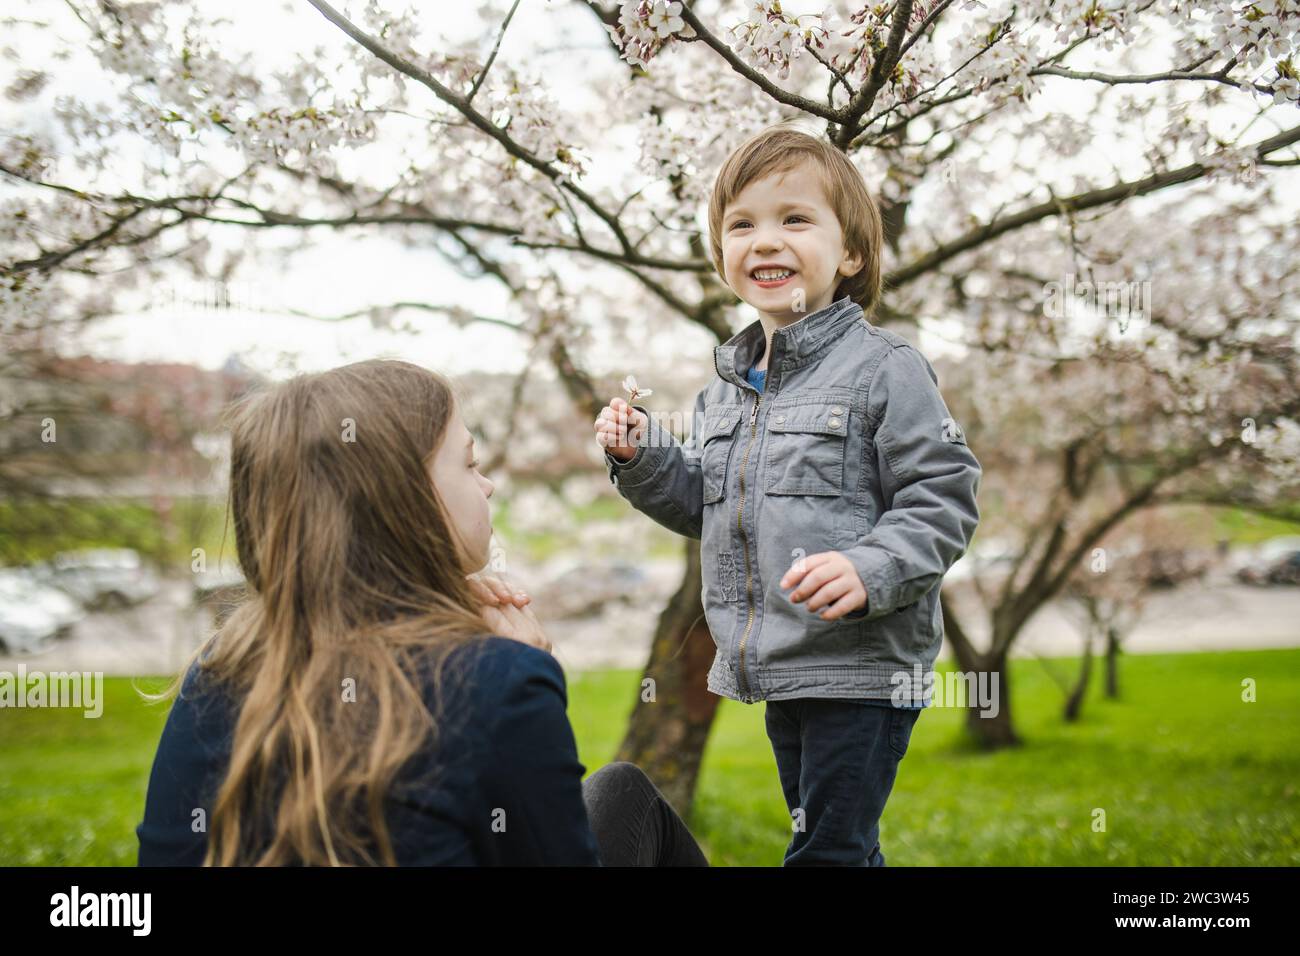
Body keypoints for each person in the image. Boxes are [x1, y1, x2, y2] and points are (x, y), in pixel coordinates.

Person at [136, 359, 707, 866]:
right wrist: (526, 678)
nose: (486, 486)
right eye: (468, 464)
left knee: (620, 793)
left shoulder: (216, 669)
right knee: (627, 794)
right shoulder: (500, 683)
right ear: (403, 497)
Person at [595, 123, 982, 866]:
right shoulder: (725, 392)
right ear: (722, 257)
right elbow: (703, 506)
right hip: (785, 667)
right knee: (830, 845)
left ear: (851, 253)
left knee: (829, 851)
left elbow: (944, 494)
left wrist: (870, 568)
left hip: (862, 668)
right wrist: (641, 455)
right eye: (742, 225)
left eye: (794, 219)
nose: (764, 240)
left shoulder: (884, 369)